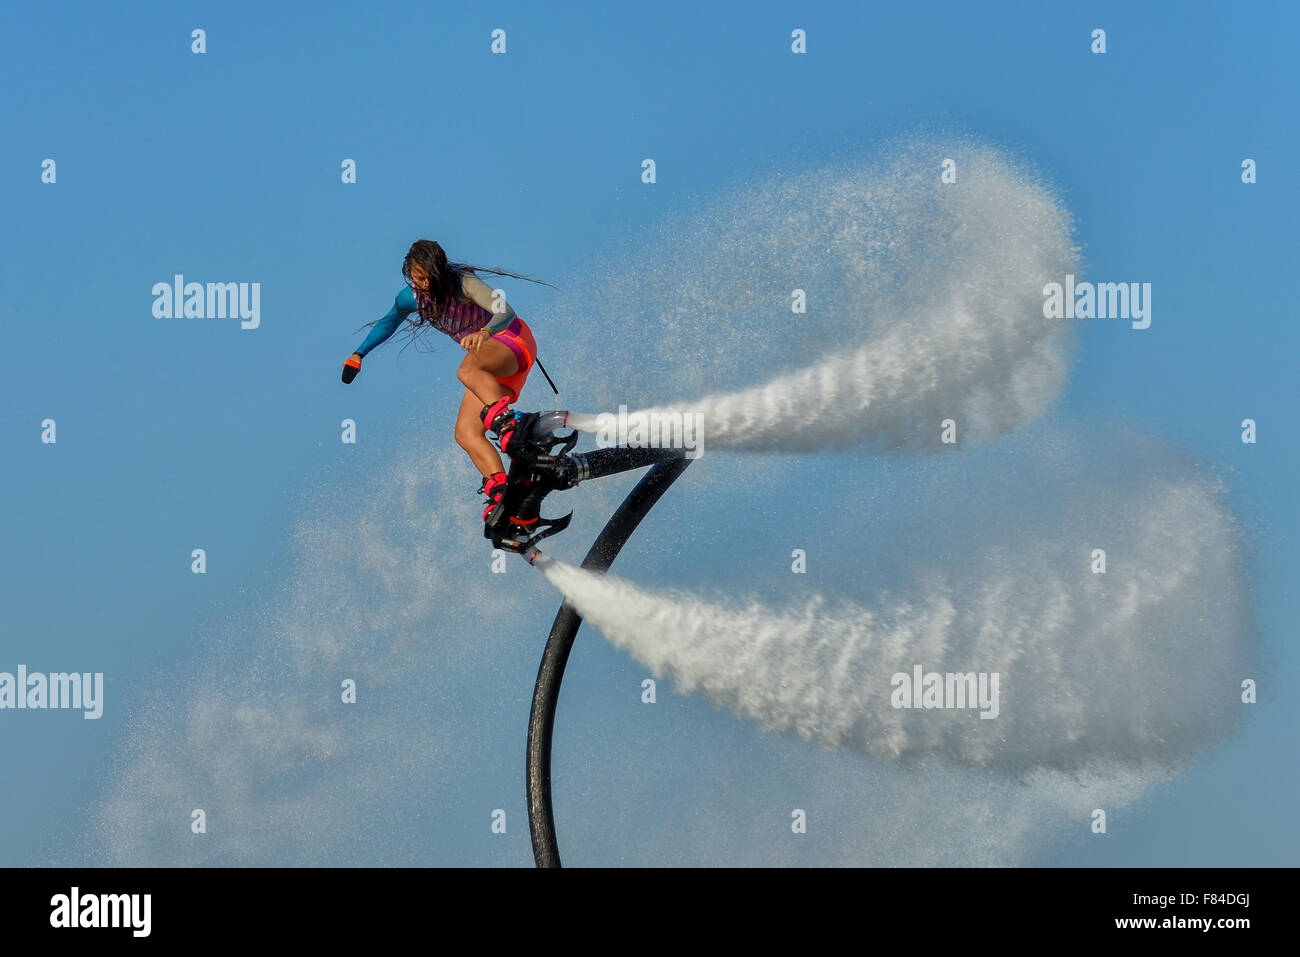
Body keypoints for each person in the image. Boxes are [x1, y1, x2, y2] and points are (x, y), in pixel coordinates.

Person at [342, 239, 552, 524]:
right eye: (418, 278)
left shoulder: (462, 282)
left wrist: (486, 332)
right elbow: (389, 321)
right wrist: (359, 354)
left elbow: (506, 311)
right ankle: (505, 495)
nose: (424, 283)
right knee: (465, 433)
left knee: (466, 371)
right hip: (491, 373)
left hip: (512, 342)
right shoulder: (412, 297)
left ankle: (510, 426)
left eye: (428, 276)